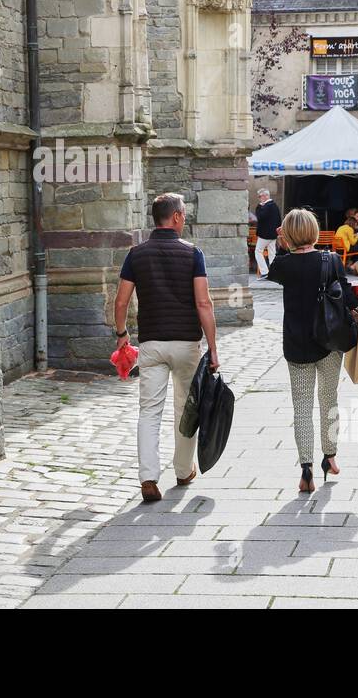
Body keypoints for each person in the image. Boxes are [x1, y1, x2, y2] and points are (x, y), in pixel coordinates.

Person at [113, 193, 219, 504]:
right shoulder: (192, 253)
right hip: (186, 344)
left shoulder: (136, 254)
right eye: (183, 214)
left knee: (149, 411)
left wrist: (122, 335)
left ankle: (148, 476)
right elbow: (203, 302)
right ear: (174, 217)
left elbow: (121, 302)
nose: (184, 219)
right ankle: (184, 469)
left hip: (151, 344)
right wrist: (212, 347)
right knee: (186, 408)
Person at [266, 208, 358, 493]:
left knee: (302, 408)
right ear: (314, 230)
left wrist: (284, 246)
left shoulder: (282, 265)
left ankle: (306, 469)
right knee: (328, 400)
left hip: (296, 344)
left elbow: (274, 268)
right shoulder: (330, 259)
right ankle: (329, 456)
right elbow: (347, 294)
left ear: (288, 234)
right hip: (329, 341)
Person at [253, 188, 281, 277]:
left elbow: (260, 217)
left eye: (259, 196)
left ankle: (265, 272)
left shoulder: (266, 206)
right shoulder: (274, 205)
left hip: (265, 235)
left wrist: (259, 206)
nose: (259, 198)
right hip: (273, 235)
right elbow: (278, 220)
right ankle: (274, 272)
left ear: (265, 196)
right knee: (272, 253)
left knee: (258, 251)